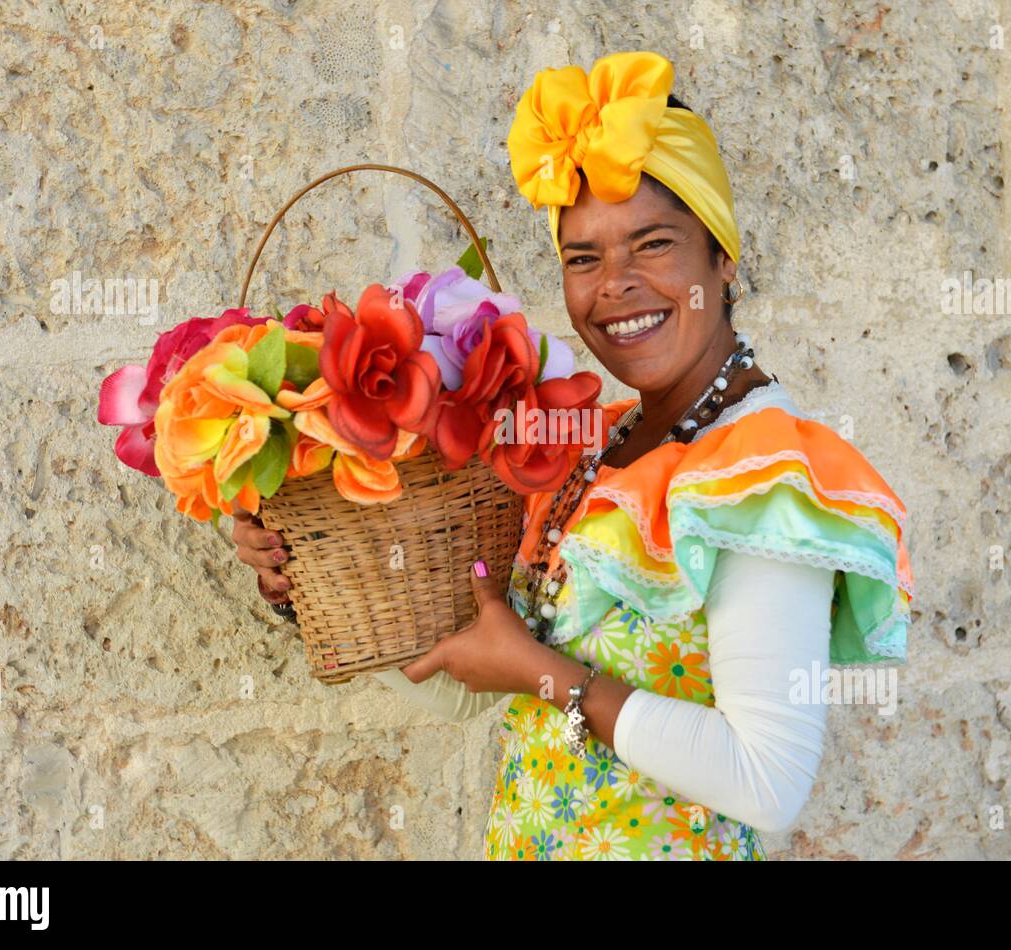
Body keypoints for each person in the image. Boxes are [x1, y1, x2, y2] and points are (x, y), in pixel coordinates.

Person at [231, 50, 915, 860]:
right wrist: (308, 579)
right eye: (582, 257)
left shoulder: (764, 472)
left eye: (653, 244)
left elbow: (767, 782)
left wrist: (544, 677)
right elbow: (477, 685)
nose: (614, 285)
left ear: (722, 257)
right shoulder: (598, 448)